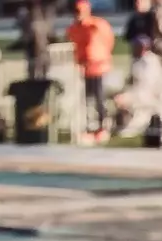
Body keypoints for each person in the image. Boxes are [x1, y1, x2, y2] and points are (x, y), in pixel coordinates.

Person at [66, 0, 115, 144]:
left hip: (99, 66)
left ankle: (103, 127)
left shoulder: (97, 25)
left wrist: (103, 57)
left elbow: (109, 40)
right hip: (84, 67)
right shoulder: (74, 28)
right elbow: (74, 43)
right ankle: (89, 127)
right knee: (86, 99)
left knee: (99, 97)